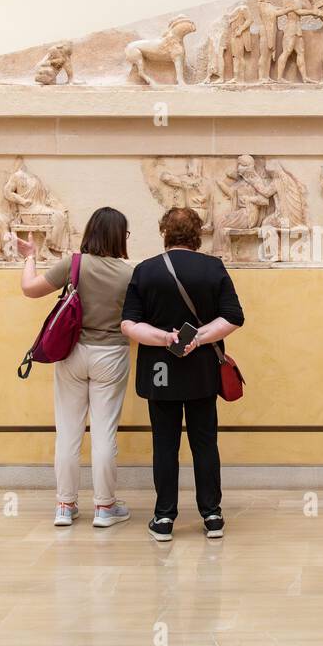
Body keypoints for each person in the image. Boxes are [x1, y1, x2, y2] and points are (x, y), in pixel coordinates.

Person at [120, 208, 245, 542]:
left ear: (164, 232)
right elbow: (233, 317)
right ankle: (212, 515)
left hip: (159, 371)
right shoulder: (213, 268)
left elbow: (128, 323)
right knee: (205, 443)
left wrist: (166, 338)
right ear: (197, 234)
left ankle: (164, 518)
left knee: (165, 445)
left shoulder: (145, 271)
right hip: (202, 369)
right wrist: (197, 338)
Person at [18, 207, 134, 529]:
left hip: (71, 353)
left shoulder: (74, 263)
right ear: (118, 237)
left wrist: (29, 257)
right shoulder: (129, 274)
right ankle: (104, 507)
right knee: (103, 432)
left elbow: (30, 289)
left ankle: (65, 506)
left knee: (68, 431)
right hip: (111, 355)